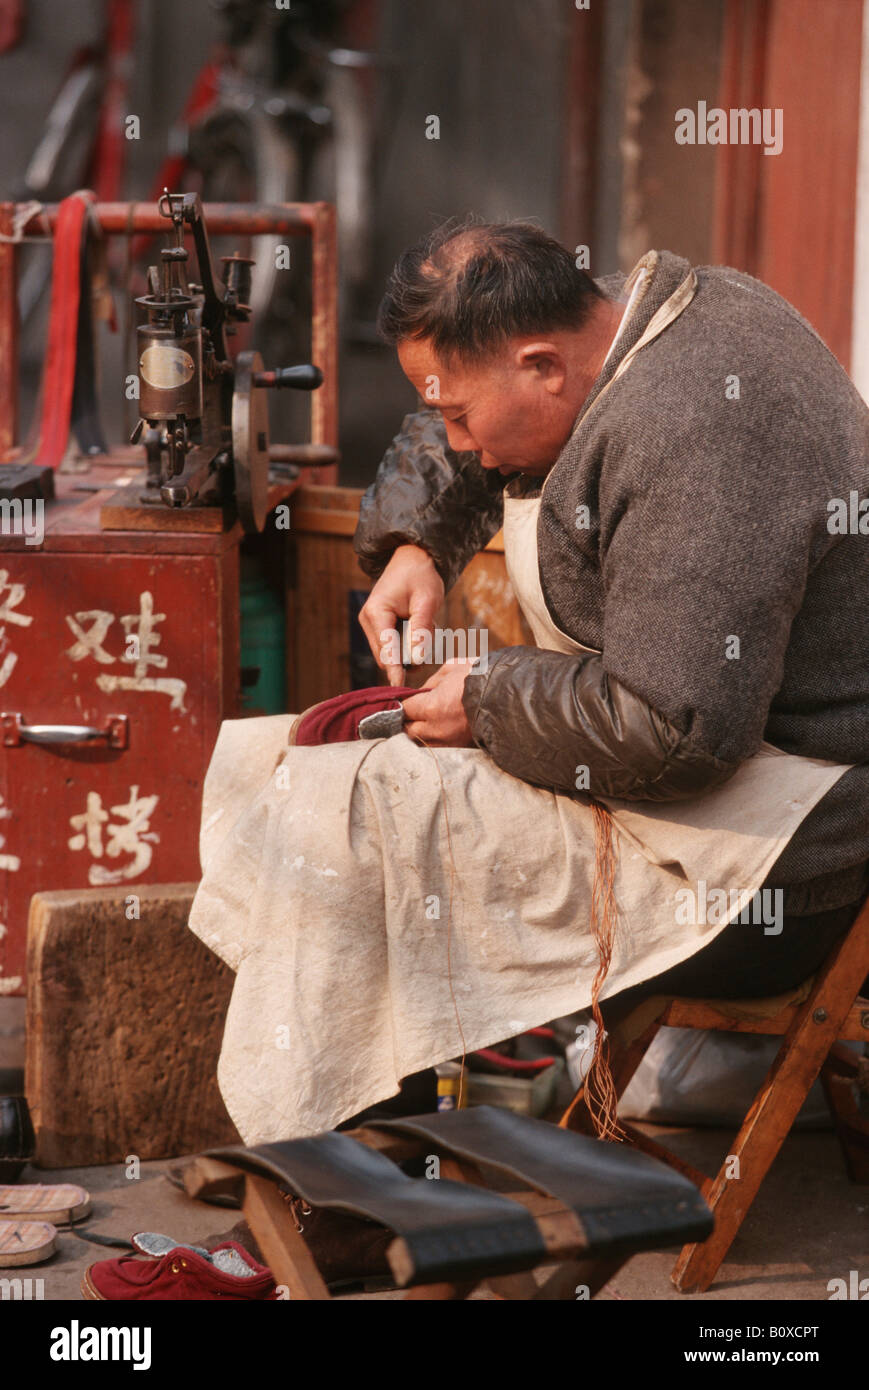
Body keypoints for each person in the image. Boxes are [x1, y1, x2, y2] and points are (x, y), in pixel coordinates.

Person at [353, 216, 869, 1023]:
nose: (457, 442)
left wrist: (487, 697)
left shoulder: (699, 428)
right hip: (706, 782)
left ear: (542, 367)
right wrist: (418, 541)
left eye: (461, 420)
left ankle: (394, 1139)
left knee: (368, 873)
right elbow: (461, 394)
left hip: (781, 867)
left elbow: (673, 729)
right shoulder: (613, 316)